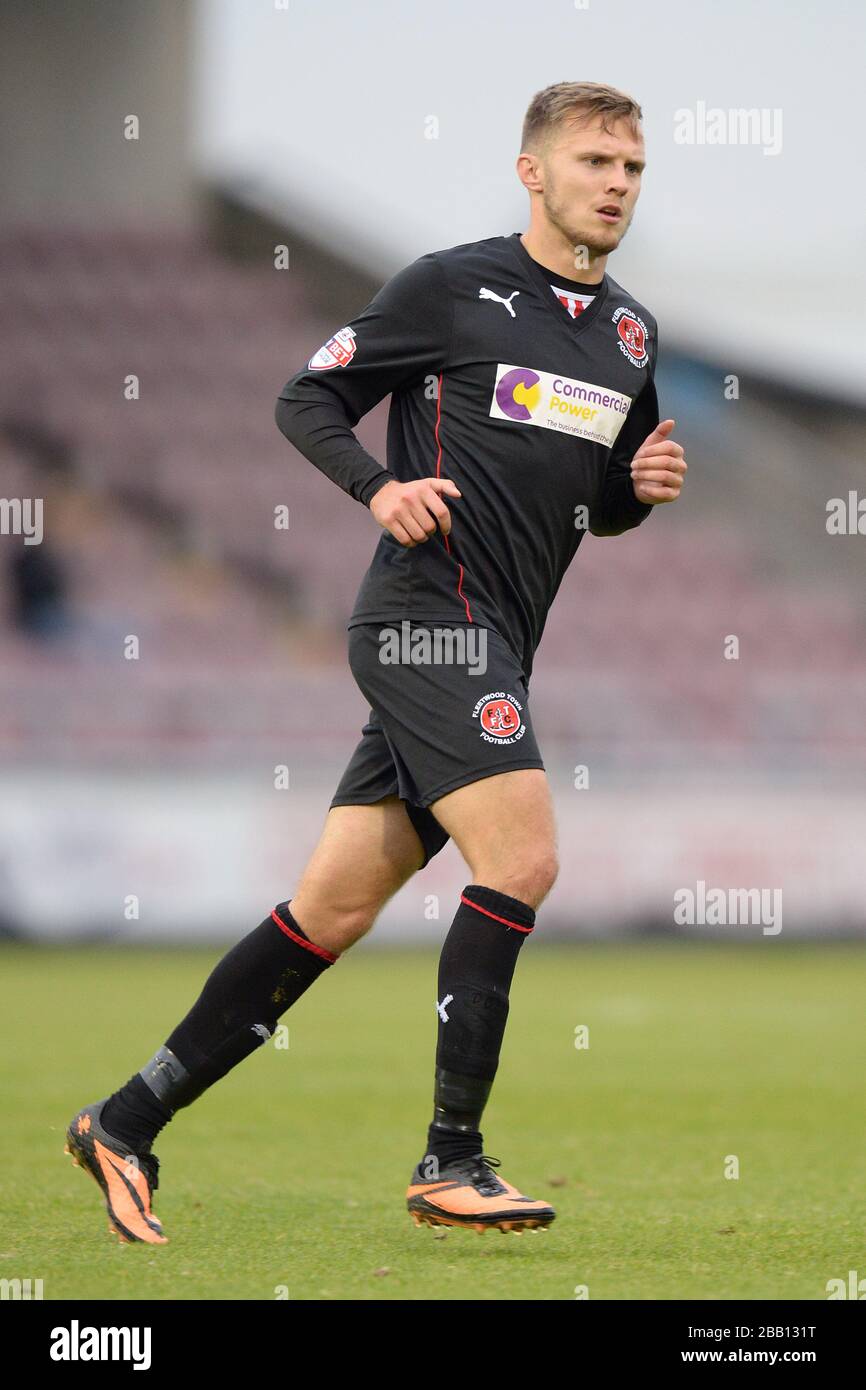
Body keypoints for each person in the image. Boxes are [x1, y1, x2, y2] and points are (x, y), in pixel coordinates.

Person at [65, 81, 686, 1244]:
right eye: (595, 160)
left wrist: (634, 496)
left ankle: (124, 1119)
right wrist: (379, 487)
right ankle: (452, 1157)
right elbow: (309, 396)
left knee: (331, 909)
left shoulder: (629, 334)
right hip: (425, 618)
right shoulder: (450, 285)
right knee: (525, 857)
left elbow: (595, 499)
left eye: (632, 167)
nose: (615, 183)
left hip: (496, 634)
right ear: (531, 172)